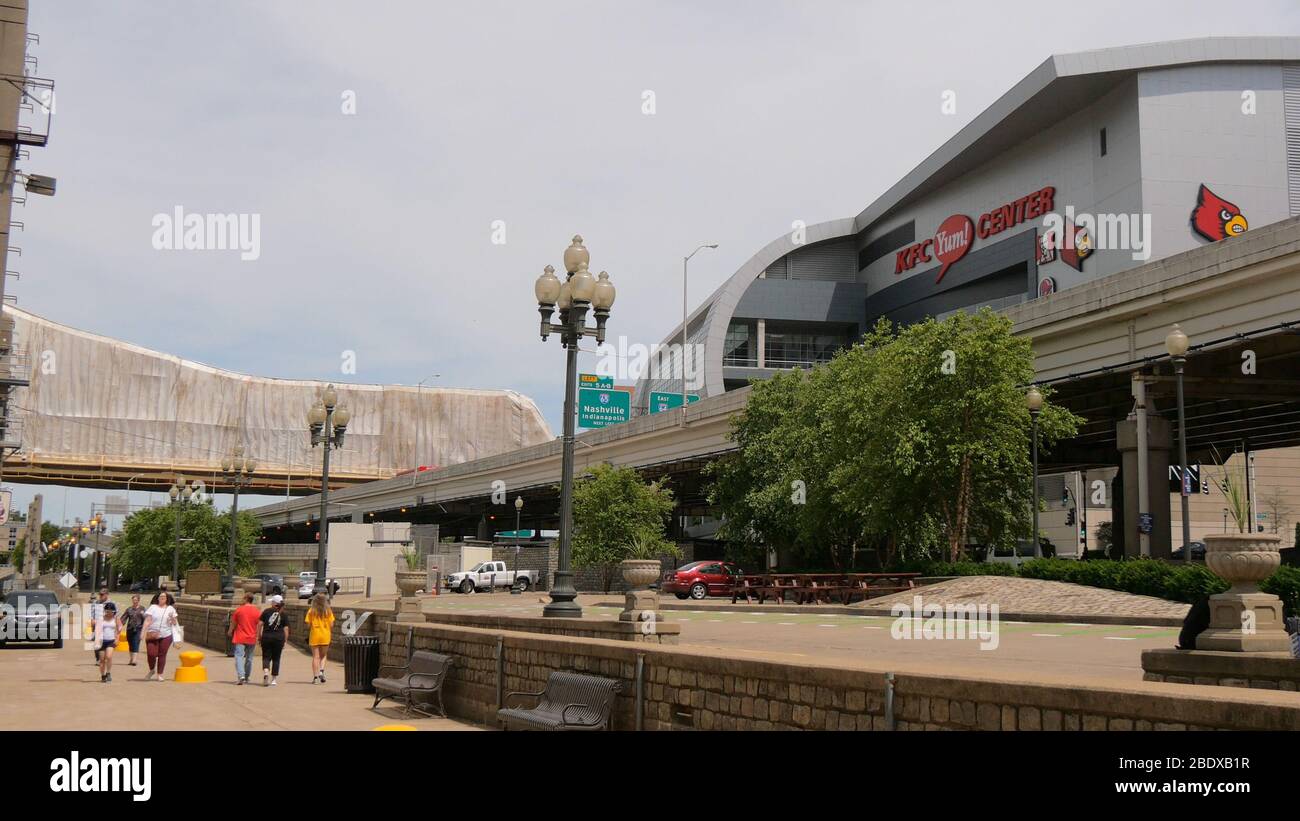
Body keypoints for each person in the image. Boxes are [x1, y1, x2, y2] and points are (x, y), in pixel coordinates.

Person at [141, 591, 180, 681]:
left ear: (167, 599)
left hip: (166, 634)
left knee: (162, 654)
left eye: (164, 597)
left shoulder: (171, 609)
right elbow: (147, 621)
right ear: (157, 598)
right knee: (151, 654)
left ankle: (160, 674)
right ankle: (151, 670)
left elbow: (175, 623)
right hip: (152, 634)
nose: (162, 598)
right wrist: (142, 633)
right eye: (160, 596)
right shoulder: (153, 607)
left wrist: (172, 618)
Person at [228, 592, 260, 685]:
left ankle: (241, 675)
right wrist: (258, 635)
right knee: (249, 658)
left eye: (243, 598)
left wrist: (230, 631)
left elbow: (233, 623)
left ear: (246, 599)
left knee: (239, 656)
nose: (241, 600)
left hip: (240, 637)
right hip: (251, 637)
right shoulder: (256, 611)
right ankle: (246, 677)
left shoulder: (239, 610)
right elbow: (259, 624)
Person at [257, 594, 289, 686]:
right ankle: (274, 679)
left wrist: (259, 635)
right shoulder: (283, 614)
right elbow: (286, 629)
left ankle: (266, 672)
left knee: (266, 656)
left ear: (274, 603)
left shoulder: (266, 611)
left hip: (266, 637)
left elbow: (259, 624)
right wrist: (285, 640)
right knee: (276, 658)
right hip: (279, 638)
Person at [304, 592, 334, 684]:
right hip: (325, 634)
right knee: (323, 655)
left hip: (315, 635)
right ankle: (321, 671)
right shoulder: (328, 611)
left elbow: (308, 625)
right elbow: (332, 624)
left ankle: (315, 677)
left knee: (315, 657)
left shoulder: (311, 611)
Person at [96, 601, 122, 683]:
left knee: (109, 656)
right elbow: (97, 630)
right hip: (102, 641)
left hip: (111, 640)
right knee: (102, 660)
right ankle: (103, 675)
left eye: (111, 611)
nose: (109, 612)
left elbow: (119, 629)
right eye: (107, 611)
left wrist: (117, 638)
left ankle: (108, 673)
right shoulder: (101, 619)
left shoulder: (116, 619)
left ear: (114, 611)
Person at [123, 595, 146, 666]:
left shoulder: (142, 609)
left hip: (138, 629)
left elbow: (146, 619)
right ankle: (131, 659)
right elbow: (123, 618)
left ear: (139, 600)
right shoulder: (129, 609)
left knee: (135, 643)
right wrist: (119, 625)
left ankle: (134, 660)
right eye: (133, 600)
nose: (134, 601)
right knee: (130, 644)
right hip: (130, 628)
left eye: (136, 600)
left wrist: (145, 629)